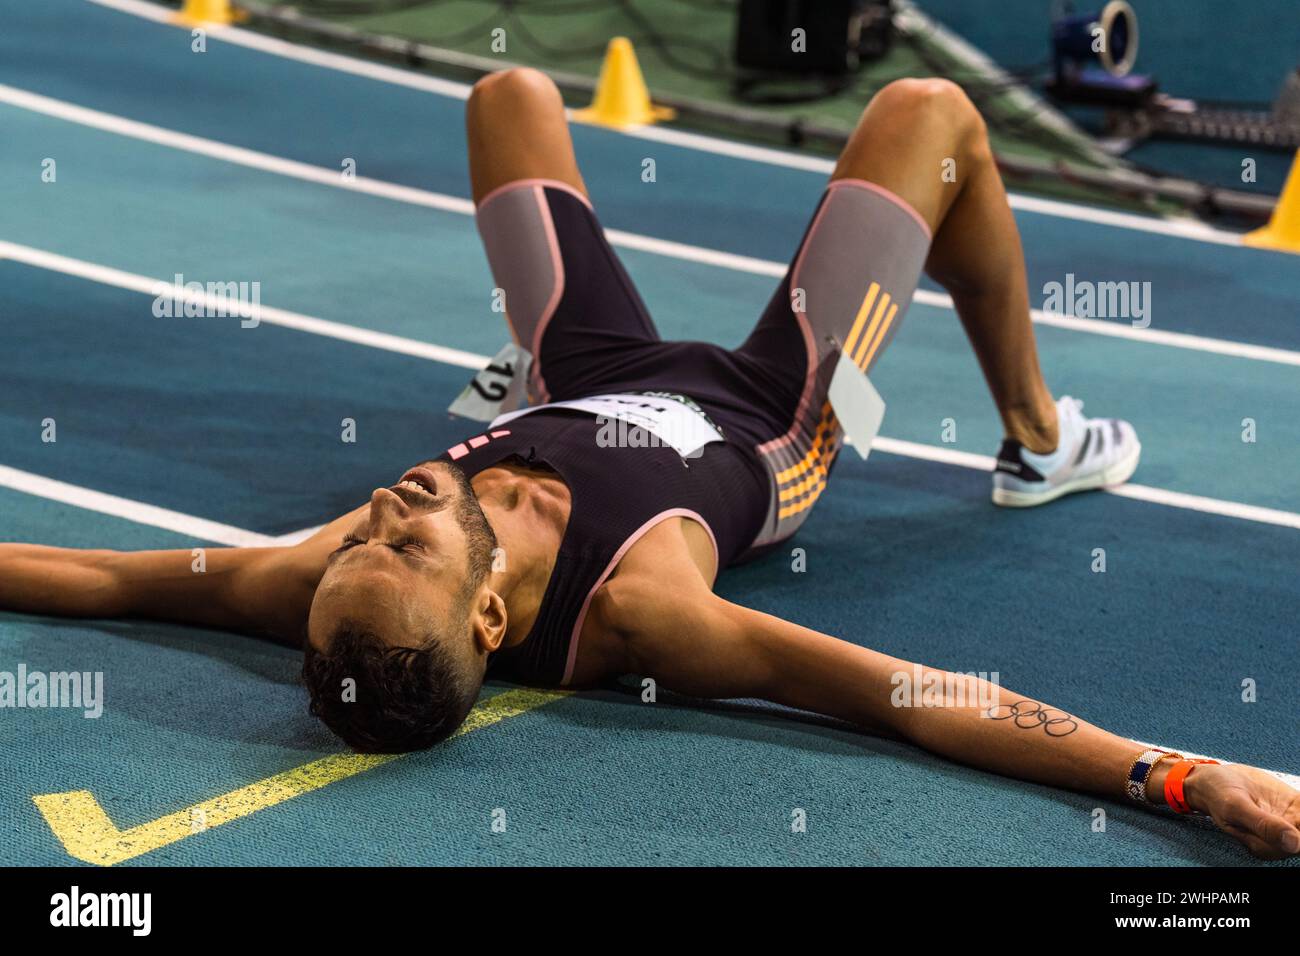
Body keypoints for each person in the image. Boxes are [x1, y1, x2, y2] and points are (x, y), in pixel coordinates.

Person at [2, 69, 1295, 859]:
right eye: (404, 541)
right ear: (492, 613)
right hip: (768, 411)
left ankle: (526, 379)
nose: (379, 511)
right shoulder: (649, 609)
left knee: (509, 94)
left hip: (586, 378)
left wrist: (356, 553)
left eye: (356, 542)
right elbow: (912, 694)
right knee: (933, 119)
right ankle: (1039, 437)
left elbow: (100, 578)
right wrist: (1175, 774)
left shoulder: (332, 595)